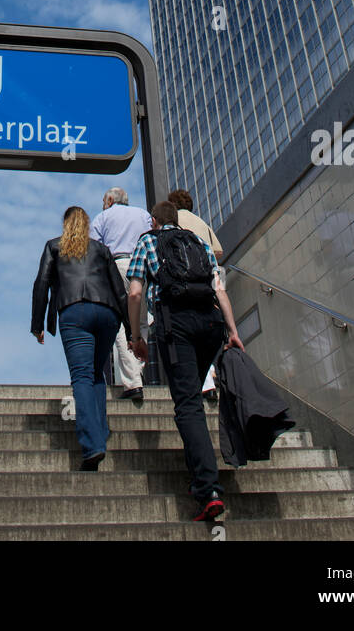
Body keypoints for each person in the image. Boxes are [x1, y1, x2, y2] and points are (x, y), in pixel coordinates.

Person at [126, 200, 244, 522]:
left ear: (153, 221)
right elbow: (219, 290)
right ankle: (207, 475)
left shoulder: (148, 242)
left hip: (174, 325)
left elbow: (135, 293)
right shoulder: (199, 243)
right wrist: (233, 331)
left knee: (188, 404)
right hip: (211, 324)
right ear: (178, 220)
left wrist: (136, 338)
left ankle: (208, 490)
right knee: (193, 393)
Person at [31, 205, 130, 470]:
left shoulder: (54, 246)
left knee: (82, 376)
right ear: (87, 224)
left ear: (65, 225)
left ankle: (92, 446)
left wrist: (37, 324)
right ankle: (101, 431)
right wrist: (131, 332)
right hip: (107, 313)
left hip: (75, 312)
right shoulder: (101, 249)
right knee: (96, 373)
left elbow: (41, 282)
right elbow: (120, 290)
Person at [89, 187, 152, 400]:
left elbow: (94, 249)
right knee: (141, 322)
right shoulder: (143, 214)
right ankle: (138, 372)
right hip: (141, 266)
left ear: (109, 200)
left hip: (115, 266)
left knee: (118, 326)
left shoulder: (103, 217)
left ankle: (133, 383)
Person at [168, 189, 223, 402]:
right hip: (207, 281)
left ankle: (204, 383)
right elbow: (218, 251)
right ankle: (209, 379)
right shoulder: (201, 222)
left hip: (184, 283)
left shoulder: (173, 221)